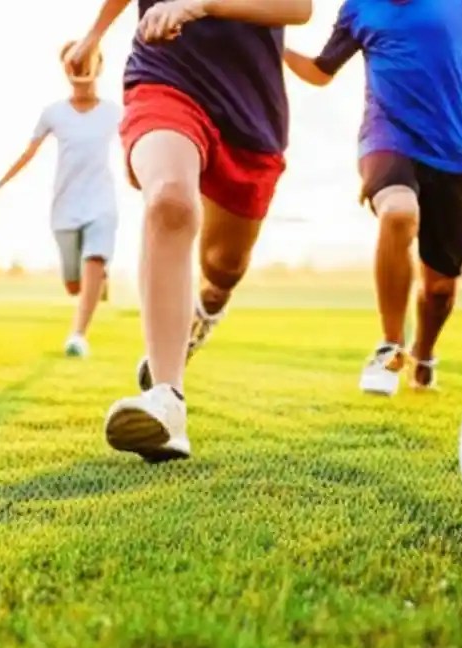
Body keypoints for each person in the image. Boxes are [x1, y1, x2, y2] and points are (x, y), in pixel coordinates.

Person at [68, 0, 313, 462]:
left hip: (251, 112)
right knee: (170, 202)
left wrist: (201, 4)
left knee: (224, 269)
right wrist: (95, 33)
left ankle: (202, 313)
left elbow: (299, 9)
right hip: (166, 77)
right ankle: (167, 399)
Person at [284, 0, 462, 396]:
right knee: (398, 212)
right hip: (386, 139)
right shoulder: (359, 9)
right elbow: (321, 72)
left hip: (450, 155)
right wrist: (272, 45)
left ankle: (423, 353)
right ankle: (390, 347)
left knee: (440, 290)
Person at [0, 43, 121, 357]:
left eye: (87, 61)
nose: (81, 68)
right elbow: (28, 154)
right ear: (65, 70)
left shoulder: (113, 112)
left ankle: (78, 335)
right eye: (74, 63)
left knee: (94, 259)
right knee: (73, 283)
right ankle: (97, 283)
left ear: (99, 66)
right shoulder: (54, 113)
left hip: (102, 203)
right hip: (65, 206)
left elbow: (135, 148)